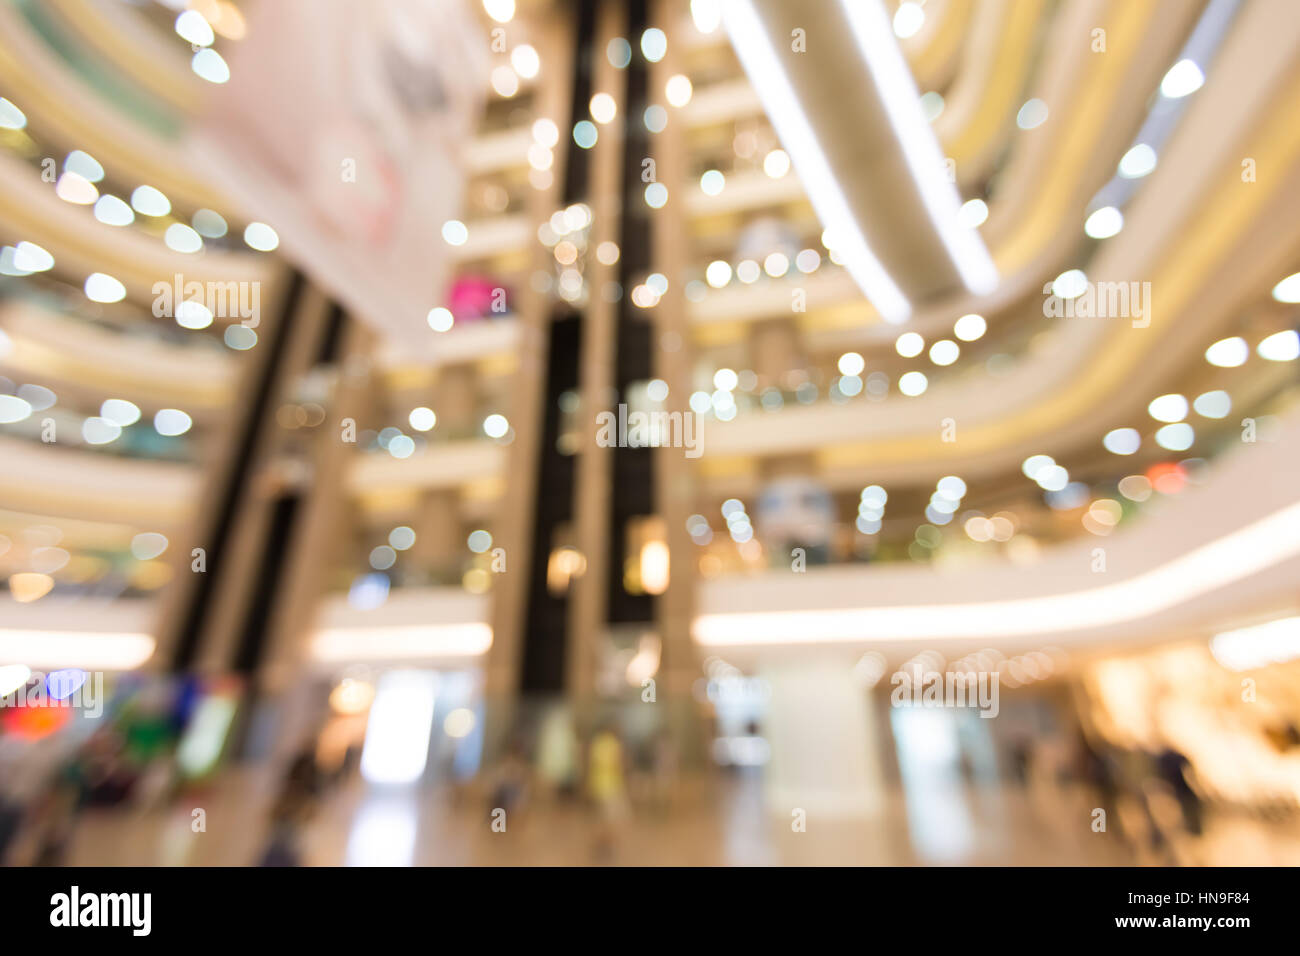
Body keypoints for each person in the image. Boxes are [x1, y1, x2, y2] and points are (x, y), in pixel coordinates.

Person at [586, 723, 628, 862]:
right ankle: (608, 847)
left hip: (597, 786)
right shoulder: (613, 744)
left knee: (602, 819)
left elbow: (590, 764)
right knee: (614, 819)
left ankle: (602, 847)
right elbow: (620, 764)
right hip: (611, 787)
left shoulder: (597, 743)